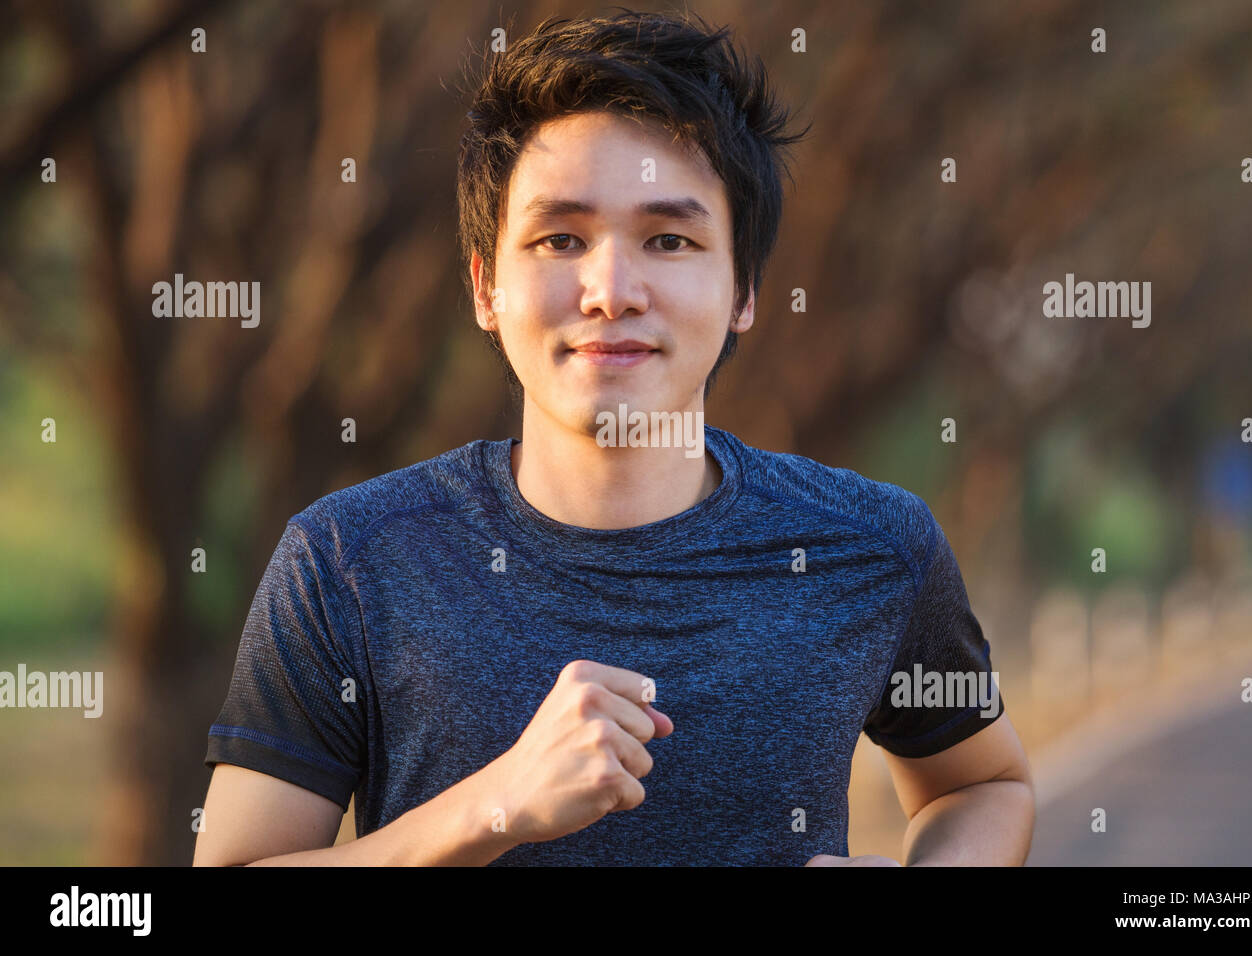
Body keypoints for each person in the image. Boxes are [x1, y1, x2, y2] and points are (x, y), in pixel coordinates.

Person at [195, 10, 1033, 867]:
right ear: (486, 287)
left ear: (744, 287)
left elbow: (984, 785)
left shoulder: (874, 546)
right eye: (560, 239)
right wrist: (492, 805)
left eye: (669, 240)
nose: (610, 290)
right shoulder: (348, 559)